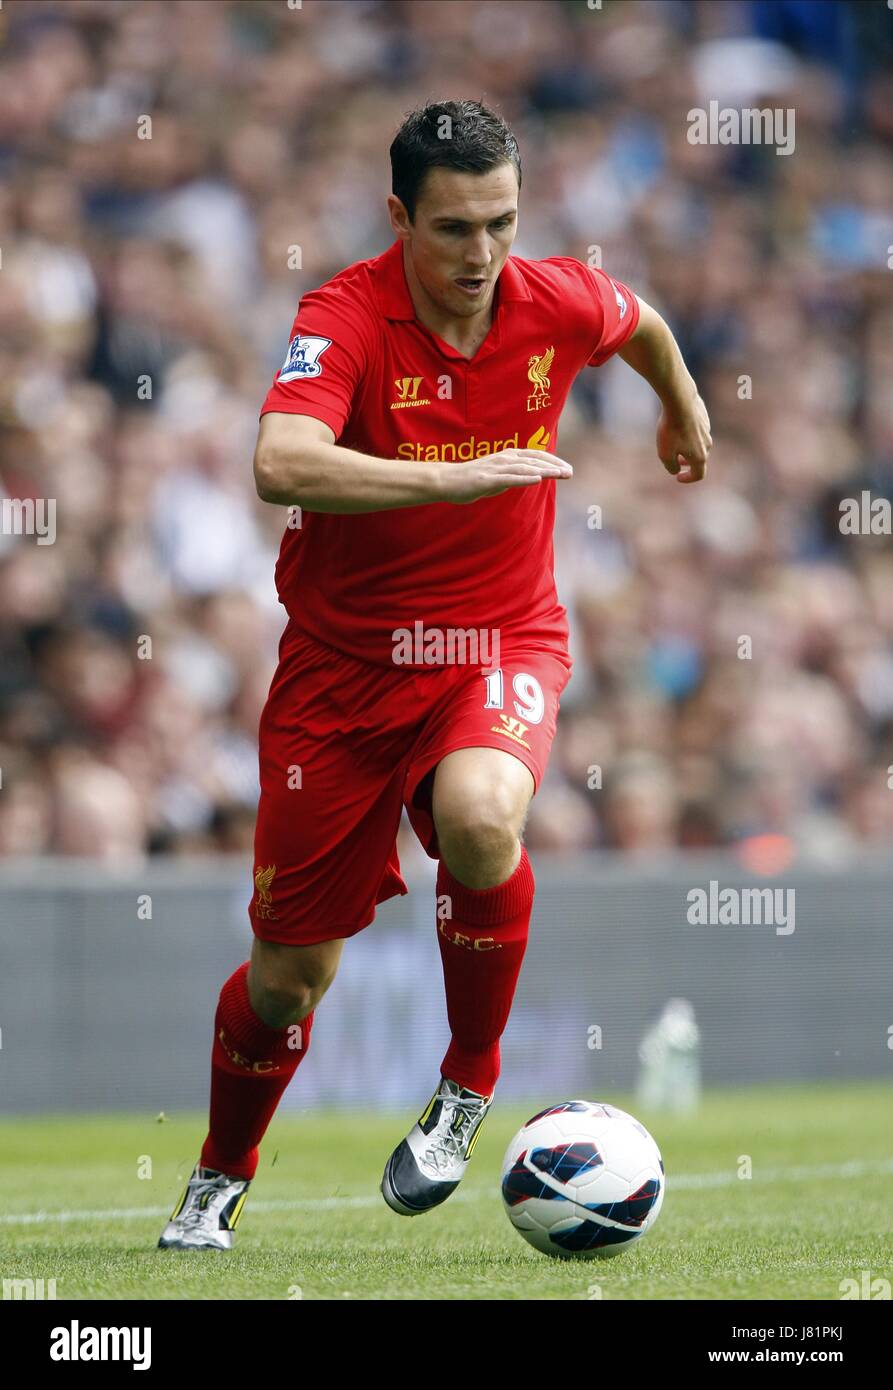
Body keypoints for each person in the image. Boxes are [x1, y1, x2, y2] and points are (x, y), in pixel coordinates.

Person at [158, 99, 711, 1250]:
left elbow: (641, 321)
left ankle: (466, 1085)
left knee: (478, 815)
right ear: (399, 215)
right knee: (285, 983)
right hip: (339, 675)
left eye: (501, 223)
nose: (480, 255)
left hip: (496, 642)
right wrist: (451, 480)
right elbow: (278, 460)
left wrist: (683, 408)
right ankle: (219, 1172)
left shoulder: (550, 296)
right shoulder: (343, 315)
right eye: (454, 228)